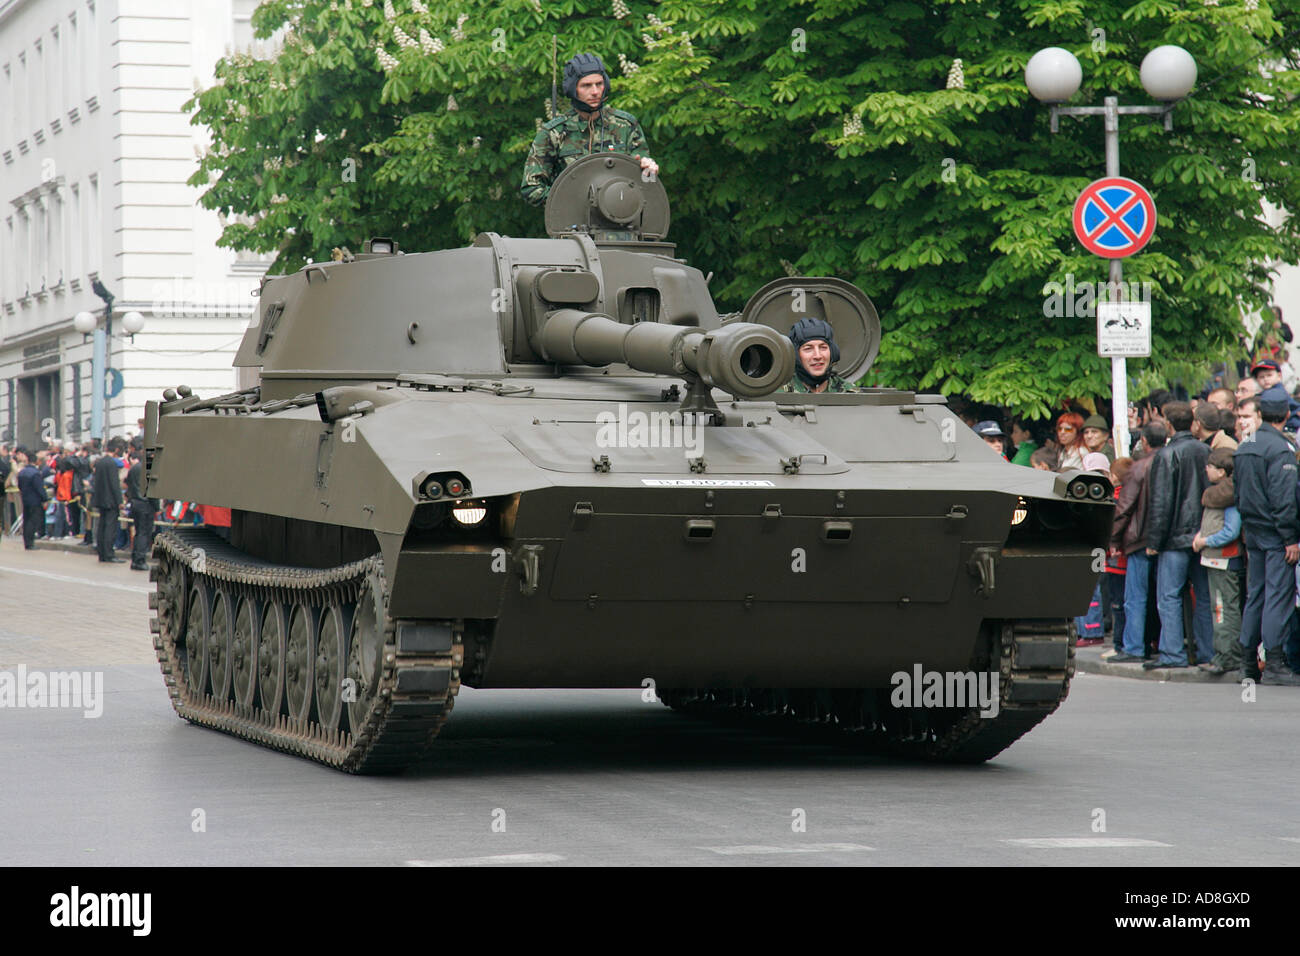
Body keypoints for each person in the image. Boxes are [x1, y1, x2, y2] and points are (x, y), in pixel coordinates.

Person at [520, 52, 658, 206]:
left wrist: (649, 169)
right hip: (571, 224)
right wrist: (569, 199)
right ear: (573, 89)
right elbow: (531, 188)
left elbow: (646, 183)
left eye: (599, 84)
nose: (595, 91)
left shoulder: (625, 125)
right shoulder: (554, 132)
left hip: (621, 218)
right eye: (586, 85)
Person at [1233, 399, 1300, 685]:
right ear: (1286, 415)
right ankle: (1273, 662)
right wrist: (1290, 537)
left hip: (1253, 528)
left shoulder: (1244, 446)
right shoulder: (1280, 449)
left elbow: (1239, 494)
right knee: (1277, 595)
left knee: (1256, 595)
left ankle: (1248, 662)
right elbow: (1284, 498)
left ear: (1260, 415)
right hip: (1274, 532)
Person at [1144, 402, 1213, 670]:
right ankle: (1207, 652)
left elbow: (1161, 502)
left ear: (1169, 425)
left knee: (1169, 597)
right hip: (1203, 535)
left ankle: (1173, 653)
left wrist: (1154, 541)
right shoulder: (1205, 450)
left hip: (1174, 538)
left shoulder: (1166, 455)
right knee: (1205, 597)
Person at [1110, 424, 1167, 662]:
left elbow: (1124, 507)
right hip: (1168, 539)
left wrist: (1114, 538)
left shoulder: (1139, 467)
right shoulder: (1171, 461)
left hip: (1140, 538)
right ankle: (1165, 646)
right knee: (1164, 597)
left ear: (1144, 441)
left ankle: (1134, 647)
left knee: (1135, 597)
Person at [1191, 447, 1243, 676]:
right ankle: (1222, 654)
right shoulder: (1219, 492)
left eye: (1210, 467)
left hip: (1224, 558)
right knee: (1219, 607)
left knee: (1224, 608)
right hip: (1215, 559)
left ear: (1222, 472)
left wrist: (1205, 540)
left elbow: (1231, 531)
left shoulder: (1227, 498)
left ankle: (1227, 656)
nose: (1206, 470)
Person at [782, 317, 852, 393]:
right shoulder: (780, 393)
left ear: (833, 352)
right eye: (808, 349)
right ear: (796, 355)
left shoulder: (848, 392)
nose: (818, 356)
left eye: (823, 347)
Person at [92, 438, 125, 563]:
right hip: (110, 500)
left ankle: (102, 553)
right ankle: (109, 553)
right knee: (110, 528)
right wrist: (120, 501)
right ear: (116, 450)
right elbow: (114, 484)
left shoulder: (100, 462)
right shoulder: (112, 463)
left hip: (101, 499)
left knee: (102, 526)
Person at [1249, 358, 1300, 431]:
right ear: (1257, 380)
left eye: (1269, 375)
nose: (1265, 379)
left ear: (1279, 376)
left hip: (1289, 428)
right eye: (1261, 377)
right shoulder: (1263, 394)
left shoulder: (1278, 393)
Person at [14, 448, 46, 550]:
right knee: (32, 522)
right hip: (35, 501)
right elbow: (39, 488)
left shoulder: (22, 472)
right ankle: (30, 542)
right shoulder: (35, 473)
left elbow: (19, 486)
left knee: (26, 521)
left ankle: (26, 542)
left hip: (25, 499)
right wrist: (44, 499)